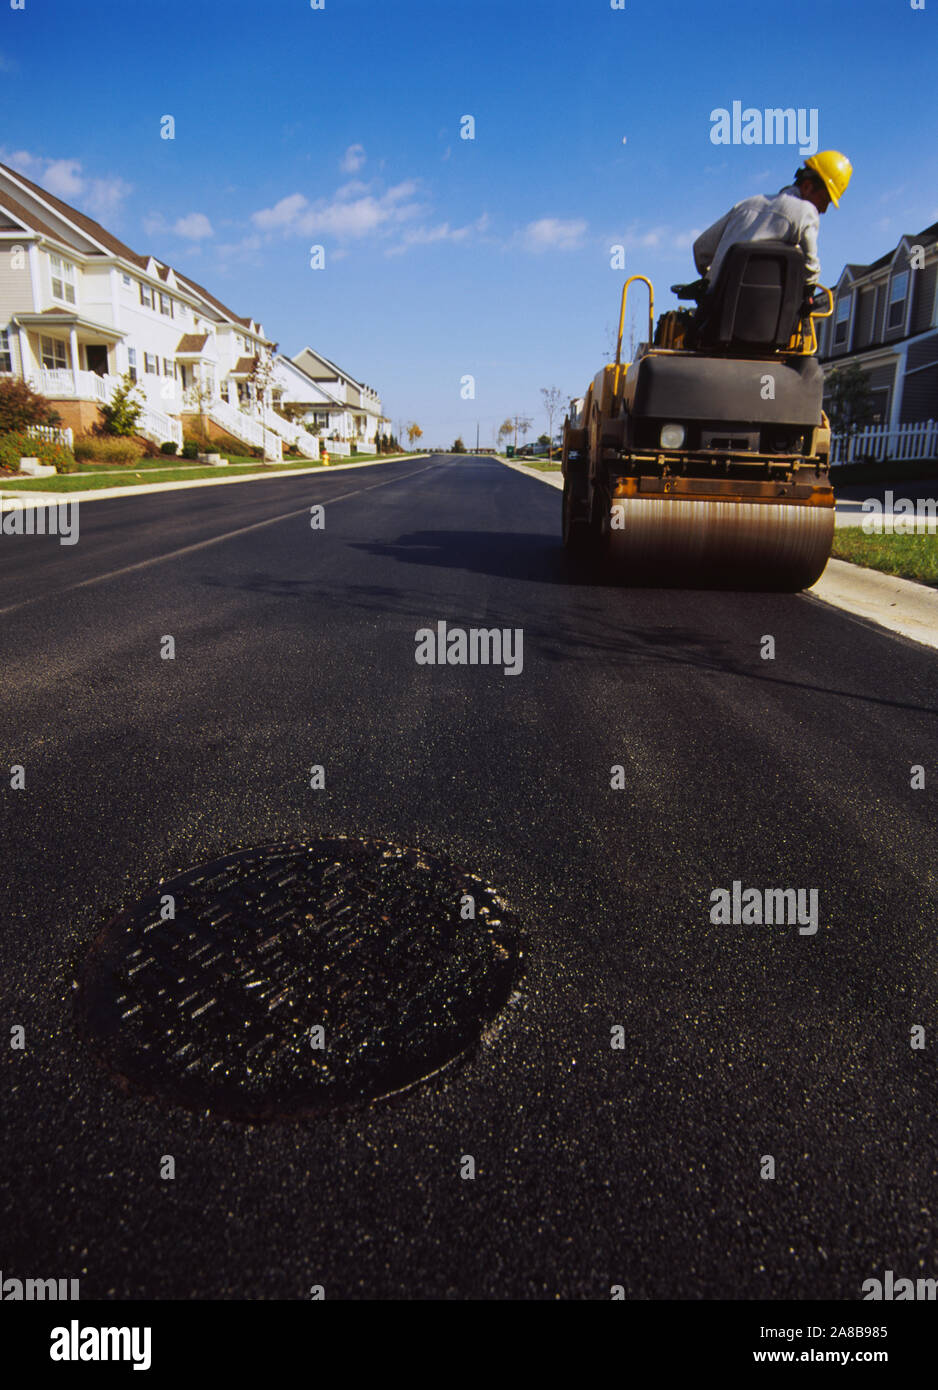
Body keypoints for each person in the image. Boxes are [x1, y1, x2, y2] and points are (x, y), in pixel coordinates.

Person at [692, 150, 853, 292]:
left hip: (715, 316)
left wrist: (718, 280)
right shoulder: (806, 212)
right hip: (771, 322)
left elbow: (701, 249)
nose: (824, 209)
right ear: (807, 186)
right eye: (824, 199)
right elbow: (810, 273)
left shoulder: (745, 206)